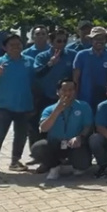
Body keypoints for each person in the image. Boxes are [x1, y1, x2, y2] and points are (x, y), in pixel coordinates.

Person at [0, 34, 37, 178]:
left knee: (21, 135)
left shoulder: (29, 61)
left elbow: (36, 80)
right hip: (3, 106)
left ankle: (15, 161)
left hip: (24, 105)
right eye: (12, 45)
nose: (16, 47)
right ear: (4, 47)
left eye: (18, 44)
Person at [32, 78, 93, 181]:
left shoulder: (84, 106)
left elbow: (88, 126)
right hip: (55, 143)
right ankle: (54, 166)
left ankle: (71, 165)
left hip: (74, 144)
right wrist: (57, 111)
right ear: (58, 92)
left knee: (83, 164)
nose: (68, 93)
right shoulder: (49, 109)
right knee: (38, 148)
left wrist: (80, 137)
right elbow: (44, 128)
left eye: (71, 90)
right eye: (64, 90)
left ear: (75, 91)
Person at [31, 30, 76, 161]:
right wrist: (50, 64)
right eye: (58, 41)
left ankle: (65, 156)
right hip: (46, 97)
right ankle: (41, 157)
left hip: (66, 97)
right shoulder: (42, 56)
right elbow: (37, 73)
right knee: (42, 128)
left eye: (64, 41)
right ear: (51, 42)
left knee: (66, 126)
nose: (62, 44)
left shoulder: (72, 55)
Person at [72, 27, 107, 108]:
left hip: (104, 99)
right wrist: (74, 97)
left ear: (106, 40)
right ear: (91, 40)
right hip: (84, 98)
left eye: (102, 39)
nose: (99, 41)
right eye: (96, 39)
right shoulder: (82, 55)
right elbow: (76, 79)